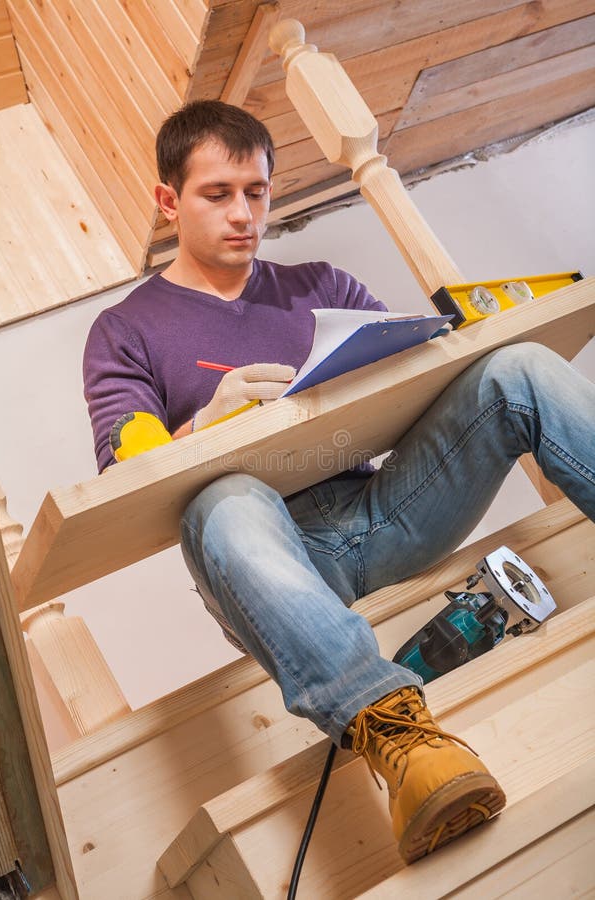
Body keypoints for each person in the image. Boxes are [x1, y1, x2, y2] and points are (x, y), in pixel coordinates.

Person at [83, 100, 595, 864]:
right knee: (220, 500)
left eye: (256, 192)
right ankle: (406, 745)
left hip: (388, 512)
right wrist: (207, 424)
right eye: (217, 194)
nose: (243, 214)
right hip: (273, 560)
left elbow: (418, 378)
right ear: (168, 200)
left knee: (516, 367)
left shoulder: (322, 283)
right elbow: (128, 470)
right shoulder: (124, 332)